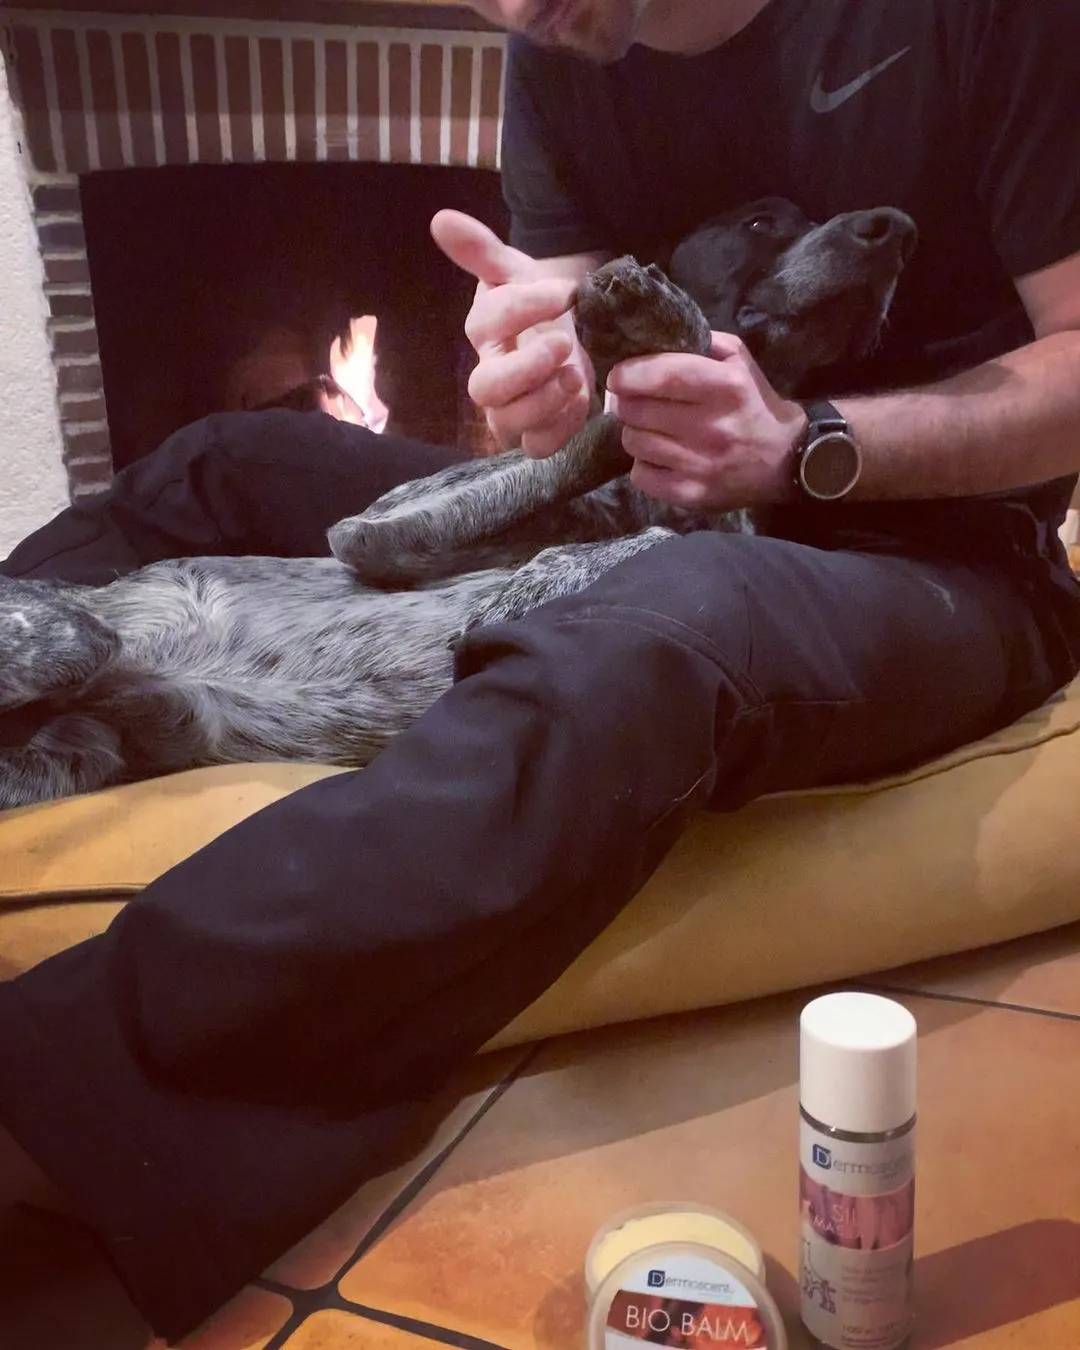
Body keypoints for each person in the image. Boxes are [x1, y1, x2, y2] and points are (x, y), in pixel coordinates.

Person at [3, 0, 1080, 1338]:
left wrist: (810, 442)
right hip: (643, 505)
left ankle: (47, 1095)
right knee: (231, 456)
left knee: (654, 620)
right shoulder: (559, 40)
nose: (512, 5)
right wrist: (544, 383)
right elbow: (573, 350)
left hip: (930, 549)